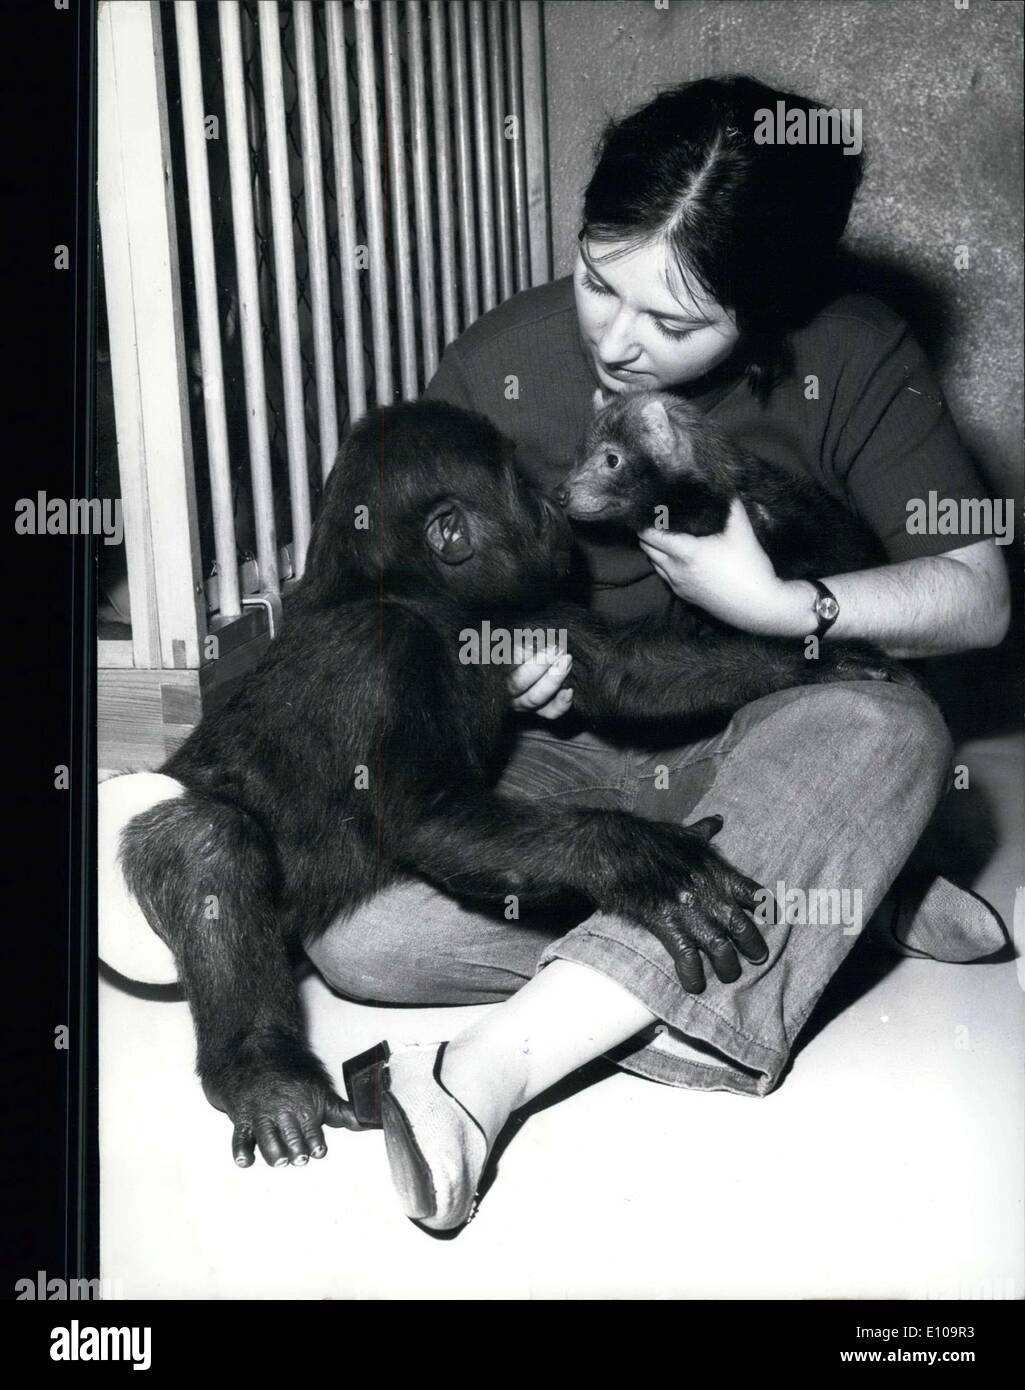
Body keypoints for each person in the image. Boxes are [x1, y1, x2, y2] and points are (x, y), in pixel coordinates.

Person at [307, 76, 1010, 1231]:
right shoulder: (495, 364)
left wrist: (785, 604)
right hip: (565, 769)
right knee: (356, 930)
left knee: (890, 730)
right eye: (597, 279)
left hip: (773, 728)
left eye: (675, 323)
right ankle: (817, 909)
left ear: (767, 311)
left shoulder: (855, 350)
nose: (617, 341)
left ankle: (488, 1075)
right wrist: (487, 658)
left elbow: (976, 595)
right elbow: (377, 605)